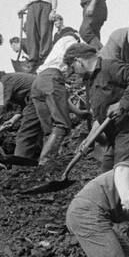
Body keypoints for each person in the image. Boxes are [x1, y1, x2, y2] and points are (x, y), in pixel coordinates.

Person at [70, 42, 129, 170]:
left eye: (72, 67)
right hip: (117, 134)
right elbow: (101, 117)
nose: (74, 73)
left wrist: (121, 104)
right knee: (106, 173)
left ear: (78, 61)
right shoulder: (90, 81)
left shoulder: (110, 67)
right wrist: (89, 139)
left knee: (123, 175)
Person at [27, 27, 82, 163]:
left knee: (49, 128)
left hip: (38, 81)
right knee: (62, 125)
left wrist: (78, 111)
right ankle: (46, 162)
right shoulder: (71, 41)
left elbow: (60, 99)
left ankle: (47, 163)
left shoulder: (57, 45)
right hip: (52, 78)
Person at [19, 0, 58, 71]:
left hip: (45, 6)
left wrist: (53, 10)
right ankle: (33, 60)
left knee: (44, 32)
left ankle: (44, 57)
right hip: (32, 7)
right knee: (31, 32)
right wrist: (24, 8)